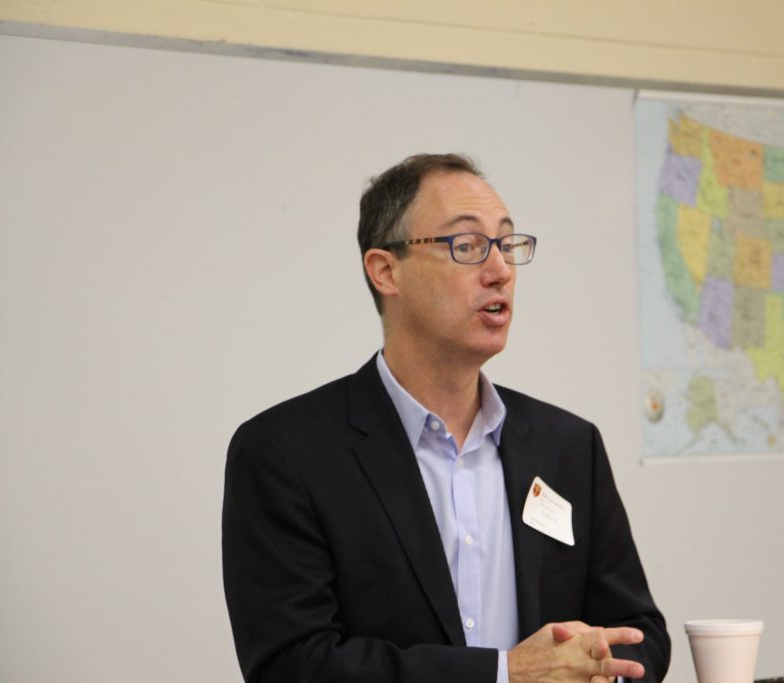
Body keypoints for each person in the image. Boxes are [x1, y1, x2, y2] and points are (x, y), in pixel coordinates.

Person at [222, 153, 670, 682]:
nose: (501, 271)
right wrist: (505, 675)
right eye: (468, 246)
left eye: (507, 244)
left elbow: (637, 631)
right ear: (386, 271)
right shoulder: (285, 453)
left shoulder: (568, 445)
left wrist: (601, 672)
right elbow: (294, 665)